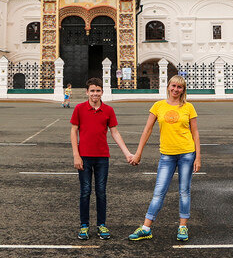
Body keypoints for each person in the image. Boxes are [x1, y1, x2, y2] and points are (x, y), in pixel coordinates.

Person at [128, 75, 200, 242]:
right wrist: (138, 152)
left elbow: (195, 133)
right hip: (167, 154)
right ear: (168, 86)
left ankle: (182, 227)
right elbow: (147, 130)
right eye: (173, 86)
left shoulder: (189, 107)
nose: (176, 90)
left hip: (187, 153)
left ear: (183, 90)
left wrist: (198, 157)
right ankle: (146, 228)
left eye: (179, 87)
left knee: (184, 191)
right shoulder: (158, 106)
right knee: (159, 192)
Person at [70, 78, 134, 240]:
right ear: (87, 92)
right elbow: (73, 131)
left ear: (102, 92)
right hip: (84, 156)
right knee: (85, 192)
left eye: (98, 91)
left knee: (101, 192)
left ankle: (101, 225)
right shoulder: (79, 108)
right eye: (92, 91)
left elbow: (115, 133)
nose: (95, 94)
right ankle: (84, 225)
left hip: (102, 157)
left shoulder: (108, 110)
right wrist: (76, 155)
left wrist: (127, 153)